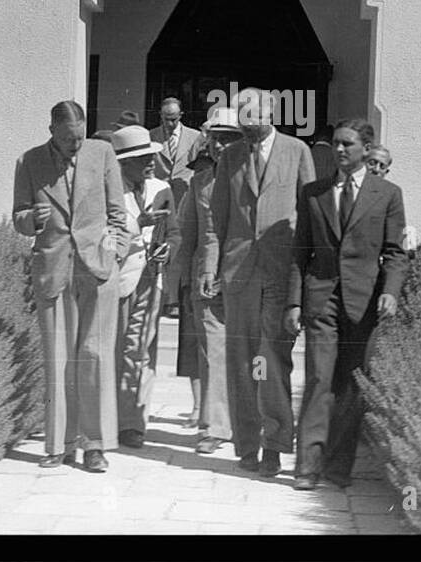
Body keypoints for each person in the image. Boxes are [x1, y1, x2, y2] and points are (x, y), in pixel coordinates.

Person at [287, 118, 407, 490]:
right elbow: (299, 252)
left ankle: (338, 468)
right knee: (319, 379)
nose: (339, 150)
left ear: (366, 149)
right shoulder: (313, 193)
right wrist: (294, 303)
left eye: (347, 145)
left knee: (352, 383)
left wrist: (390, 290)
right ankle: (307, 468)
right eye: (336, 144)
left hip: (365, 301)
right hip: (321, 297)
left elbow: (396, 253)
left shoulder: (387, 194)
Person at [202, 87, 315, 477]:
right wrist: (209, 267)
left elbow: (310, 217)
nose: (248, 134)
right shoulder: (229, 157)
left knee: (271, 361)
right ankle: (247, 444)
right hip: (239, 274)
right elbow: (217, 220)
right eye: (244, 127)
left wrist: (304, 276)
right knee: (242, 363)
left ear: (272, 117)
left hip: (281, 272)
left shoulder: (297, 152)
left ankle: (275, 444)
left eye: (255, 126)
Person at [13, 100, 128, 472]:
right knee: (58, 359)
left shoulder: (103, 152)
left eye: (79, 136)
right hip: (53, 269)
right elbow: (18, 216)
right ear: (52, 132)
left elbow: (117, 213)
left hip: (97, 270)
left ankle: (95, 445)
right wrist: (33, 218)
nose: (75, 144)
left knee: (93, 357)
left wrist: (115, 253)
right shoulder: (29, 162)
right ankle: (59, 445)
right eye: (67, 139)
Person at [174, 106, 242, 453]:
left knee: (245, 353)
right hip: (205, 279)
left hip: (245, 278)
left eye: (227, 139)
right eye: (214, 139)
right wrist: (179, 283)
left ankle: (243, 423)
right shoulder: (198, 182)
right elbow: (188, 234)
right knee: (212, 352)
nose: (218, 146)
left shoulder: (252, 179)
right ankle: (214, 427)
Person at [111, 124, 180, 448]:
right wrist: (137, 225)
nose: (151, 161)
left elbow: (175, 231)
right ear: (124, 162)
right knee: (116, 349)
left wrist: (168, 248)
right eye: (143, 158)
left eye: (152, 155)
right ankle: (109, 417)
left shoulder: (162, 188)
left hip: (152, 278)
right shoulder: (109, 190)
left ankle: (132, 424)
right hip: (117, 278)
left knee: (137, 351)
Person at [150, 97, 202, 319]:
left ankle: (173, 300)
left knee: (178, 249)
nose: (169, 124)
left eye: (173, 119)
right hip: (160, 200)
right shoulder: (151, 136)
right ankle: (158, 298)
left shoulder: (195, 137)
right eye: (165, 119)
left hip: (184, 200)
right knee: (157, 247)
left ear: (180, 116)